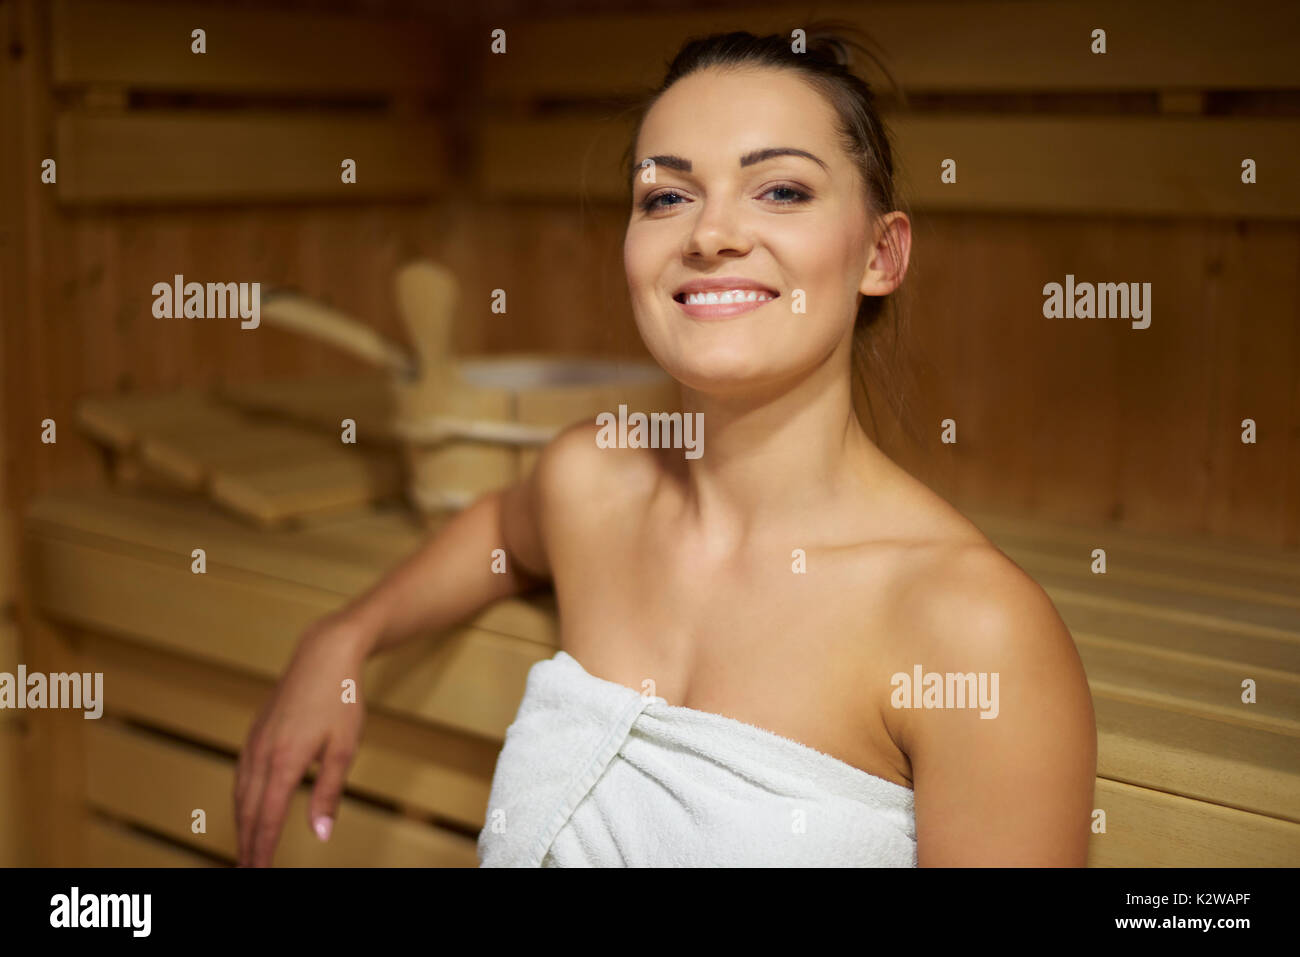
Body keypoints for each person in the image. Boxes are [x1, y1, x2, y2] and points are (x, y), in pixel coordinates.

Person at [234, 25, 1097, 867]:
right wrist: (343, 638)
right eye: (667, 197)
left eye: (780, 190)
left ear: (881, 253)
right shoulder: (593, 482)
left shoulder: (971, 630)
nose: (710, 234)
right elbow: (502, 526)